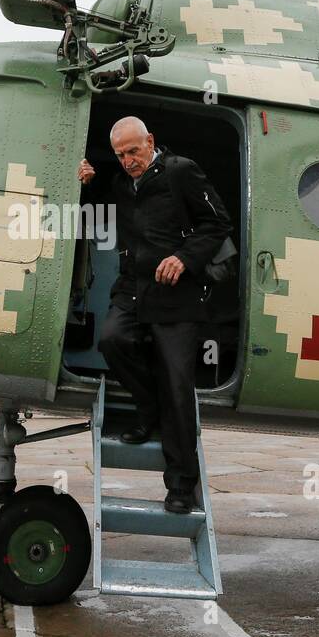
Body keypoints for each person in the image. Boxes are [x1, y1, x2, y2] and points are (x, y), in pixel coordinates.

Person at [78, 116, 232, 514]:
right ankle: (147, 409)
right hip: (133, 288)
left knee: (178, 385)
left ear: (151, 141)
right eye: (120, 154)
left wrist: (184, 258)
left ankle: (180, 485)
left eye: (133, 151)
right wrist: (85, 183)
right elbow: (98, 217)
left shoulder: (181, 171)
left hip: (177, 294)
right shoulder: (119, 184)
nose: (128, 160)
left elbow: (217, 223)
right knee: (112, 340)